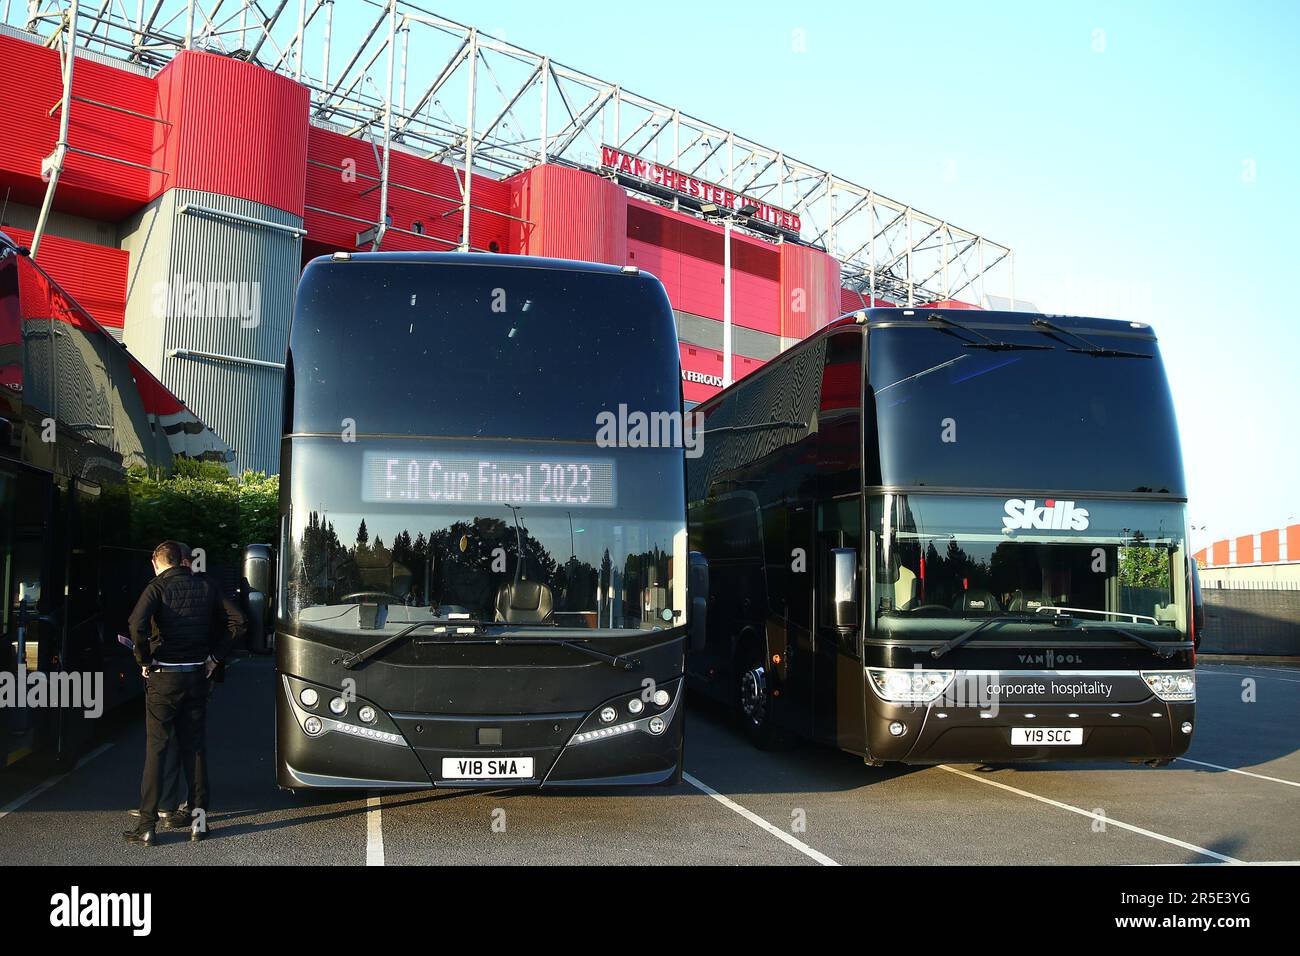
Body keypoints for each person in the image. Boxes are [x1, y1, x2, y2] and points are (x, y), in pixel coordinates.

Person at [124, 540, 246, 847]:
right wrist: (215, 658)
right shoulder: (207, 586)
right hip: (196, 675)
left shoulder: (156, 588)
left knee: (157, 748)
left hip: (163, 677)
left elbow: (136, 623)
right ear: (183, 561)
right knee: (195, 747)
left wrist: (144, 660)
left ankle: (148, 825)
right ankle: (198, 821)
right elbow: (238, 621)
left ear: (157, 561)